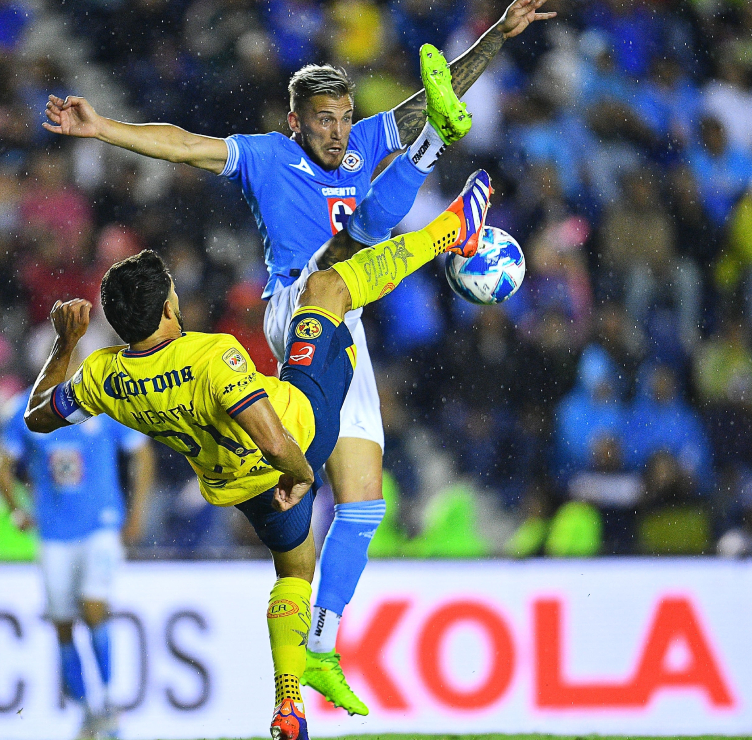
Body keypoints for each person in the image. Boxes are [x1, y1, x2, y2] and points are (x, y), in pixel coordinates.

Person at [43, 0, 553, 714]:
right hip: (299, 301)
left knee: (365, 504)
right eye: (323, 120)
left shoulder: (362, 140)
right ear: (295, 121)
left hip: (351, 319)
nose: (338, 131)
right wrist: (104, 128)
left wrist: (498, 35)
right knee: (349, 251)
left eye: (344, 118)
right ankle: (440, 185)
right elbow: (184, 143)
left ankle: (320, 648)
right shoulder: (266, 157)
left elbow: (436, 94)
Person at [25, 169, 493, 740]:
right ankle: (452, 231)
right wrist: (300, 473)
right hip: (302, 433)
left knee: (294, 570)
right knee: (327, 290)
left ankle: (289, 702)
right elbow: (275, 440)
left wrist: (63, 344)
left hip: (243, 493)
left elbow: (38, 416)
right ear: (169, 309)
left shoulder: (102, 374)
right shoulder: (212, 355)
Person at [0, 351, 155, 740]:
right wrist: (18, 509)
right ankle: (88, 712)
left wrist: (136, 514)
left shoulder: (102, 400)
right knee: (63, 626)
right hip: (53, 533)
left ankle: (110, 703)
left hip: (100, 526)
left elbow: (142, 454)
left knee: (94, 605)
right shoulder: (24, 411)